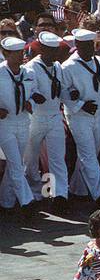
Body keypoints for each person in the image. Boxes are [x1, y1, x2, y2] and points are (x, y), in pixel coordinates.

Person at [59, 30, 100, 203]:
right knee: (88, 153)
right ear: (77, 46)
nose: (89, 49)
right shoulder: (68, 67)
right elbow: (62, 92)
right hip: (78, 116)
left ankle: (77, 188)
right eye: (85, 45)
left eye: (91, 45)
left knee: (92, 152)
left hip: (99, 112)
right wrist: (80, 104)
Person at [18, 32, 66, 207]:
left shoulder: (57, 67)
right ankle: (36, 192)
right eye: (50, 50)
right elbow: (25, 92)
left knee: (57, 158)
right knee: (30, 159)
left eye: (56, 50)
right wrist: (33, 97)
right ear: (42, 50)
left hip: (54, 116)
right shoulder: (30, 68)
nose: (54, 54)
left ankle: (59, 195)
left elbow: (62, 89)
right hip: (36, 118)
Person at [0, 36, 36, 211]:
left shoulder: (28, 73)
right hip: (4, 124)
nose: (20, 56)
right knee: (16, 164)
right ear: (6, 54)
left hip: (23, 122)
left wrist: (31, 103)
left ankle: (6, 201)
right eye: (15, 53)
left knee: (14, 164)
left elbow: (35, 93)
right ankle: (27, 202)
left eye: (21, 52)